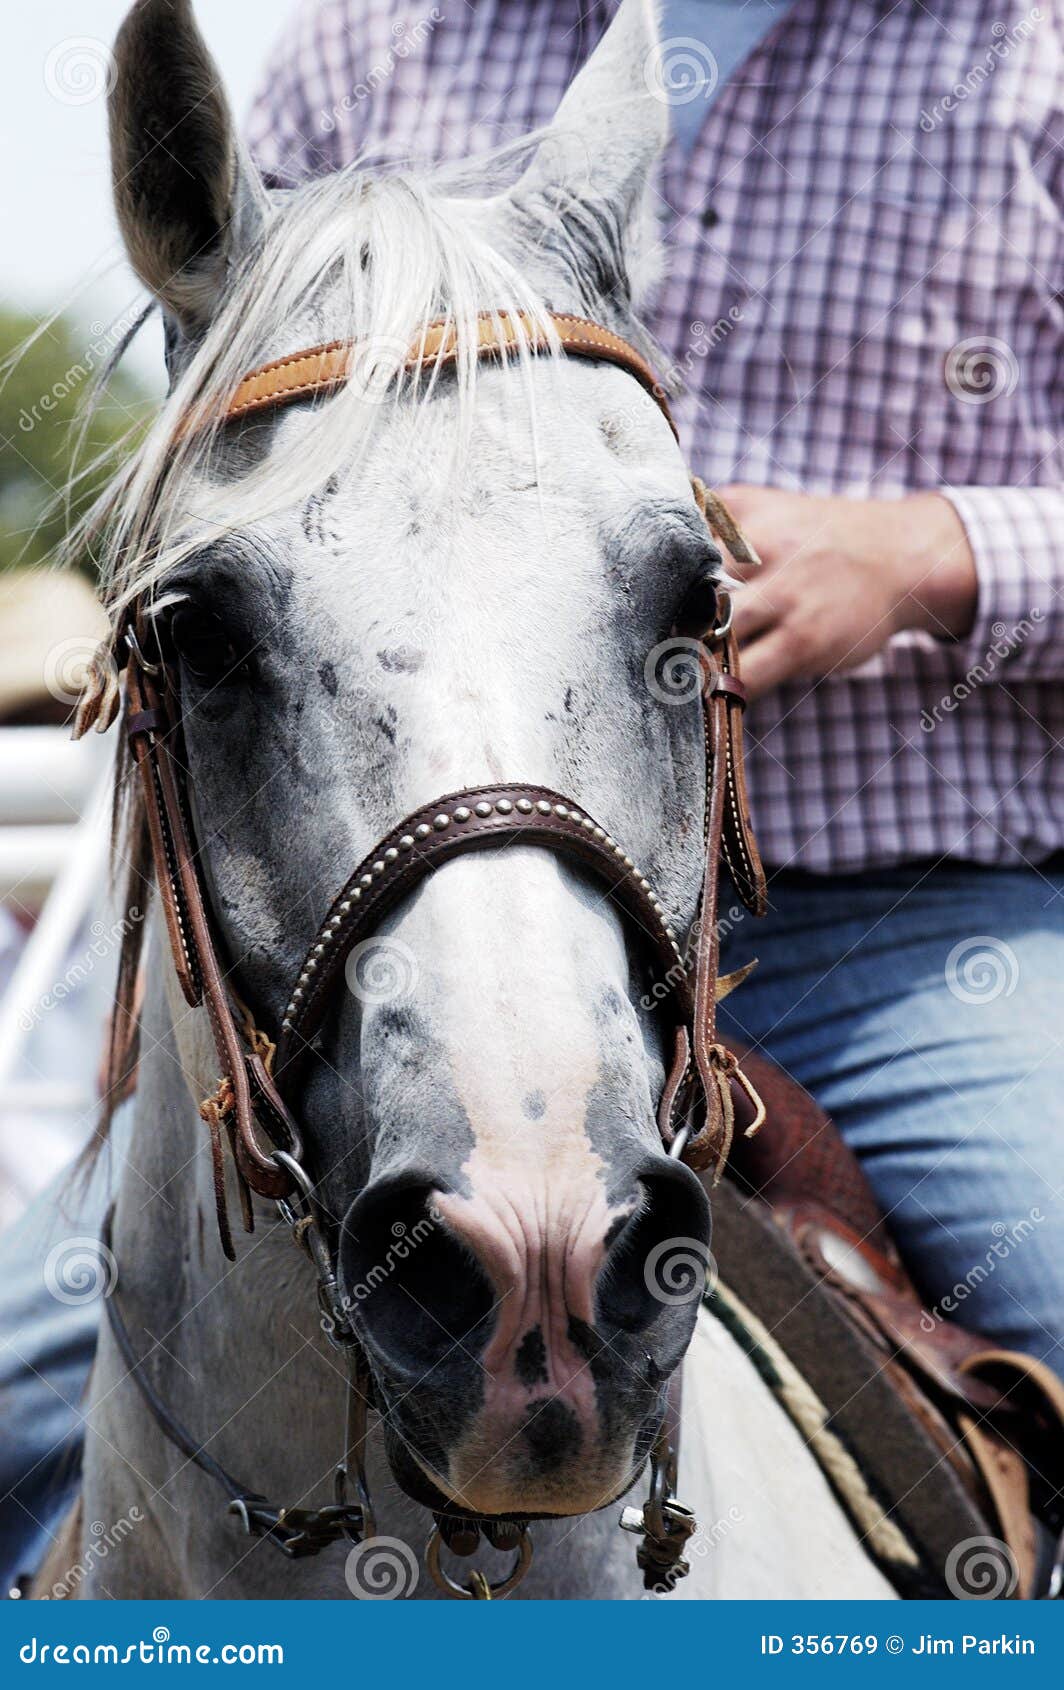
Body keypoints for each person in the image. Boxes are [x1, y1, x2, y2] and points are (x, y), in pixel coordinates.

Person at [3, 0, 1063, 1588]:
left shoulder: (1032, 57)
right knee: (23, 1375)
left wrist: (937, 557)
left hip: (914, 936)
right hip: (407, 947)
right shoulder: (375, 49)